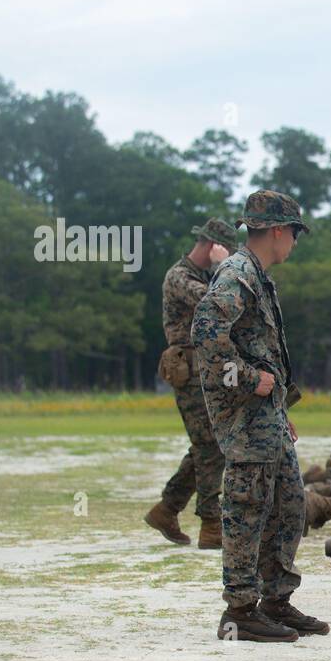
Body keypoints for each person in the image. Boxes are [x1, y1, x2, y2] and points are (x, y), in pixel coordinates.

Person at [191, 191, 327, 642]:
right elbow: (206, 335)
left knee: (289, 504)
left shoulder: (259, 275)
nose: (294, 242)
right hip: (247, 419)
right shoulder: (238, 274)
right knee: (248, 508)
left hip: (268, 417)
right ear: (276, 231)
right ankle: (239, 609)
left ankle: (276, 600)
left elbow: (259, 344)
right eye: (294, 233)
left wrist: (280, 404)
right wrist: (249, 380)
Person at [145, 217, 238, 549]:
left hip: (206, 370)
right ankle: (211, 524)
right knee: (210, 444)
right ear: (212, 246)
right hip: (190, 370)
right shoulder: (180, 277)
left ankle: (167, 508)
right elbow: (216, 303)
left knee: (208, 445)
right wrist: (221, 268)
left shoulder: (199, 275)